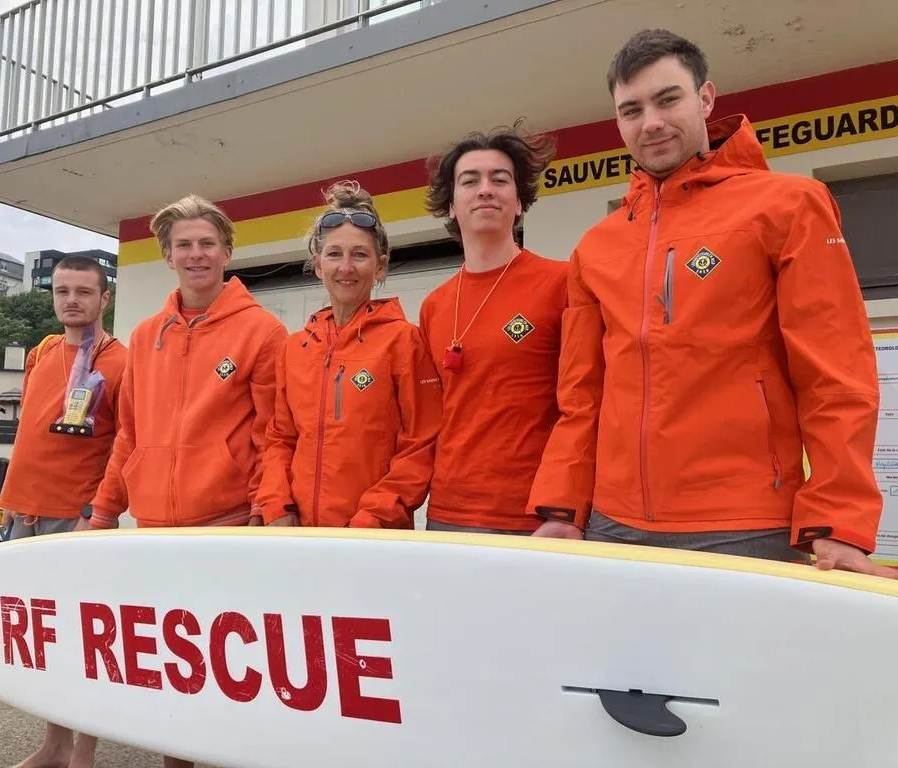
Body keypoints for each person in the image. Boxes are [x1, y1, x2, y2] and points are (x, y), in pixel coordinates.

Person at [528, 28, 894, 578]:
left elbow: (835, 375)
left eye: (667, 99)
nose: (650, 122)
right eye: (631, 109)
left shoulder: (788, 206)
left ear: (705, 98)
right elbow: (582, 397)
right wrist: (562, 507)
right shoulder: (597, 245)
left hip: (745, 525)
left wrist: (838, 522)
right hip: (614, 524)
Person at [83, 194, 286, 768]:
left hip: (225, 525)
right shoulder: (146, 335)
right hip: (153, 530)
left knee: (230, 669)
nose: (196, 255)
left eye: (206, 244)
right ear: (168, 257)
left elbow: (274, 435)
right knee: (174, 669)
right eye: (183, 246)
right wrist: (102, 511)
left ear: (226, 251)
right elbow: (129, 433)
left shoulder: (262, 332)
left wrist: (263, 510)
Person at [0, 255, 127, 768]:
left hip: (73, 519)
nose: (71, 300)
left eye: (83, 291)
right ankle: (53, 743)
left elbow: (125, 445)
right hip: (21, 515)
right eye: (61, 291)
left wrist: (96, 511)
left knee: (83, 643)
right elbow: (33, 431)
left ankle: (84, 753)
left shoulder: (120, 361)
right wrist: (10, 506)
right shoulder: (43, 352)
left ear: (105, 299)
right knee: (43, 643)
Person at [255, 181, 442, 528]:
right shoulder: (294, 348)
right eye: (334, 254)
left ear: (380, 266)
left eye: (360, 255)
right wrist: (277, 506)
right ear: (317, 265)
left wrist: (372, 519)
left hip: (372, 538)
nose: (346, 267)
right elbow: (280, 438)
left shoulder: (404, 341)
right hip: (298, 535)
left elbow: (421, 445)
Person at [418, 124, 569, 534]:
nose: (485, 189)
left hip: (531, 517)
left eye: (500, 180)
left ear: (519, 202)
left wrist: (565, 508)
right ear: (451, 205)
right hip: (446, 512)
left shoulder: (562, 283)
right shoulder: (434, 305)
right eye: (470, 181)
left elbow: (586, 405)